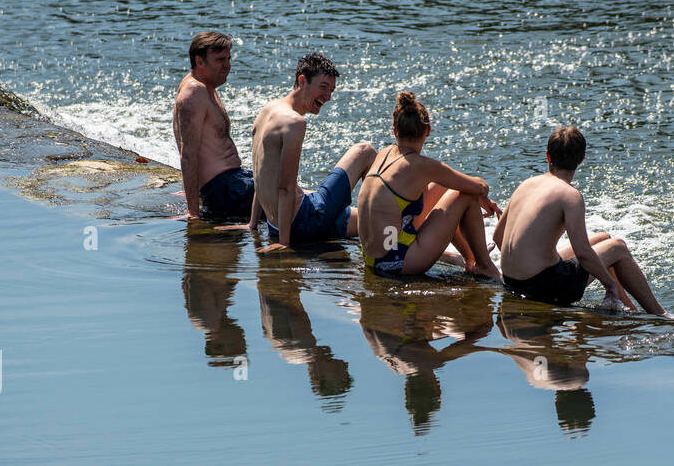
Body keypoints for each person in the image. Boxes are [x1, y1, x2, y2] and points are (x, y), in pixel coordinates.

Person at [495, 125, 669, 315]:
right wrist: (609, 284)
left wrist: (527, 262)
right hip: (540, 287)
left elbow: (498, 237)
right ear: (581, 159)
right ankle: (661, 314)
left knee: (604, 238)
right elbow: (583, 253)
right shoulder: (569, 195)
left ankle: (628, 308)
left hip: (511, 280)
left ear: (547, 156)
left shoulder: (526, 184)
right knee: (618, 247)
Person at [357, 92, 502, 280]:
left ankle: (470, 260)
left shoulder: (383, 154)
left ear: (395, 130)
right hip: (396, 263)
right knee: (466, 195)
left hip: (372, 258)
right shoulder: (421, 166)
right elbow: (480, 187)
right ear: (428, 130)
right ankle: (486, 267)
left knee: (442, 187)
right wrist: (482, 197)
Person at [250, 53, 375, 249]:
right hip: (303, 221)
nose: (328, 97)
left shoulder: (268, 110)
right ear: (302, 81)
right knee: (365, 150)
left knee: (367, 221)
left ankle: (383, 220)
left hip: (276, 224)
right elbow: (285, 188)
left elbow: (260, 175)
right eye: (323, 87)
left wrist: (252, 225)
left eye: (332, 91)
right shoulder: (294, 122)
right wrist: (284, 244)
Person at [172, 32, 255, 222]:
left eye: (228, 59)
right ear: (199, 61)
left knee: (289, 188)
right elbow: (188, 153)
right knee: (295, 201)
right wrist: (193, 211)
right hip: (225, 191)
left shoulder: (205, 86)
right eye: (219, 60)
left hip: (234, 182)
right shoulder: (194, 91)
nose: (227, 66)